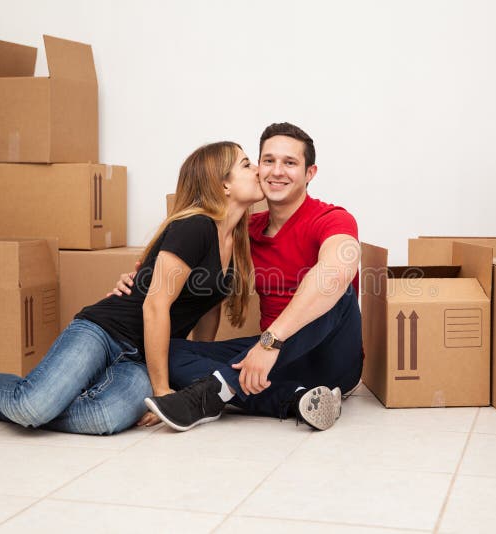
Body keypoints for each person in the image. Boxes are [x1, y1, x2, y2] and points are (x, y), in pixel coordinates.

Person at [0, 141, 264, 435]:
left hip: (144, 355)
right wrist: (163, 392)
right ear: (223, 184)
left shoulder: (236, 243)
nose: (258, 170)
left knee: (104, 418)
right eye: (248, 164)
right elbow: (154, 307)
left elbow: (206, 314)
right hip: (105, 330)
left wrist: (191, 380)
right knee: (35, 405)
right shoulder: (195, 227)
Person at [115, 123, 362, 432]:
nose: (276, 171)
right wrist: (141, 280)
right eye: (268, 160)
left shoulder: (332, 218)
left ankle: (213, 392)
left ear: (310, 173)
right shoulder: (244, 232)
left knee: (335, 291)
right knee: (170, 349)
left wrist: (270, 343)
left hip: (329, 357)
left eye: (290, 163)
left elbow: (336, 273)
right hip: (269, 364)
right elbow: (186, 267)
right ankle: (297, 398)